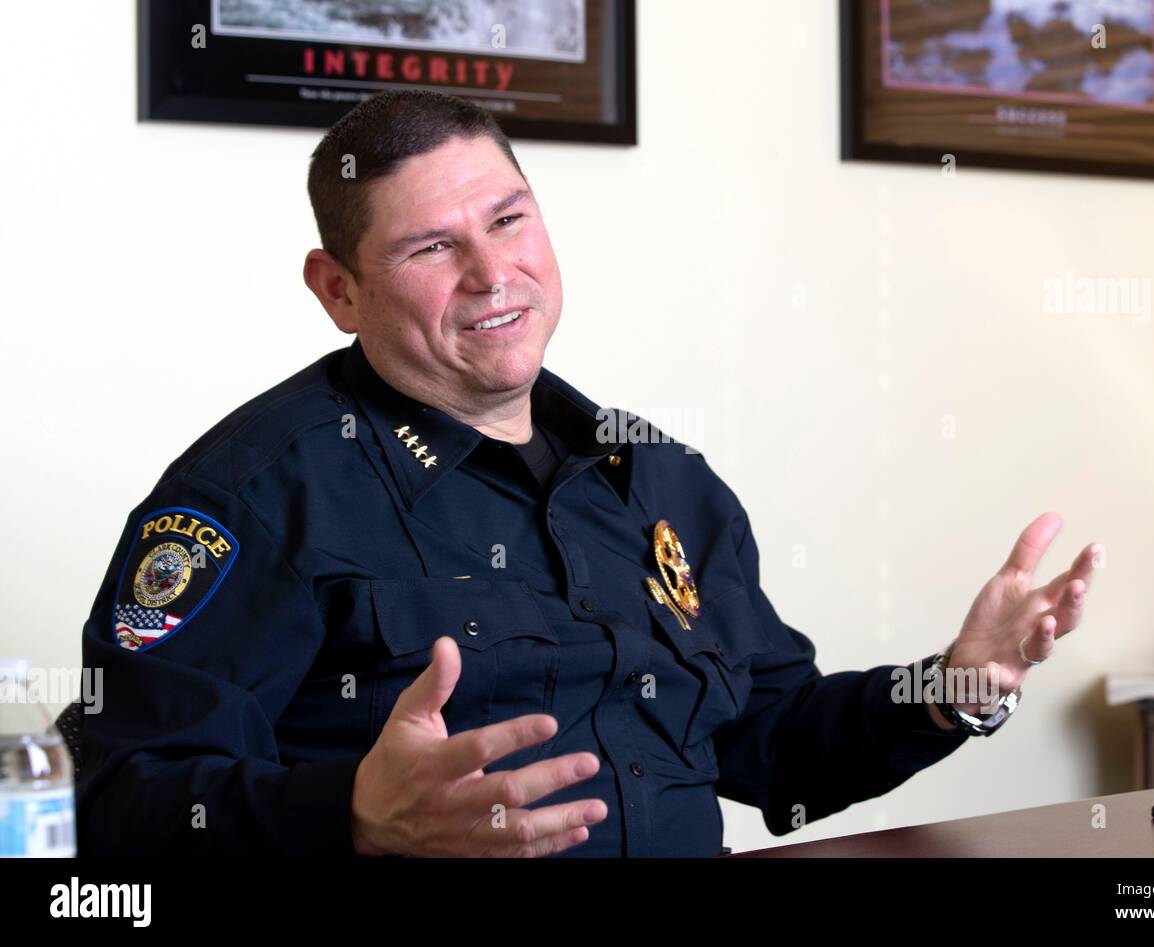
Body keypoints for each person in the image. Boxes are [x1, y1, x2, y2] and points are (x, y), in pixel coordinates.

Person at [74, 90, 1098, 858]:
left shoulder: (660, 479)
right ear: (338, 289)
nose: (491, 273)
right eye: (433, 245)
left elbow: (772, 745)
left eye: (509, 219)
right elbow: (113, 795)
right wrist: (354, 810)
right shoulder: (250, 496)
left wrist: (953, 686)